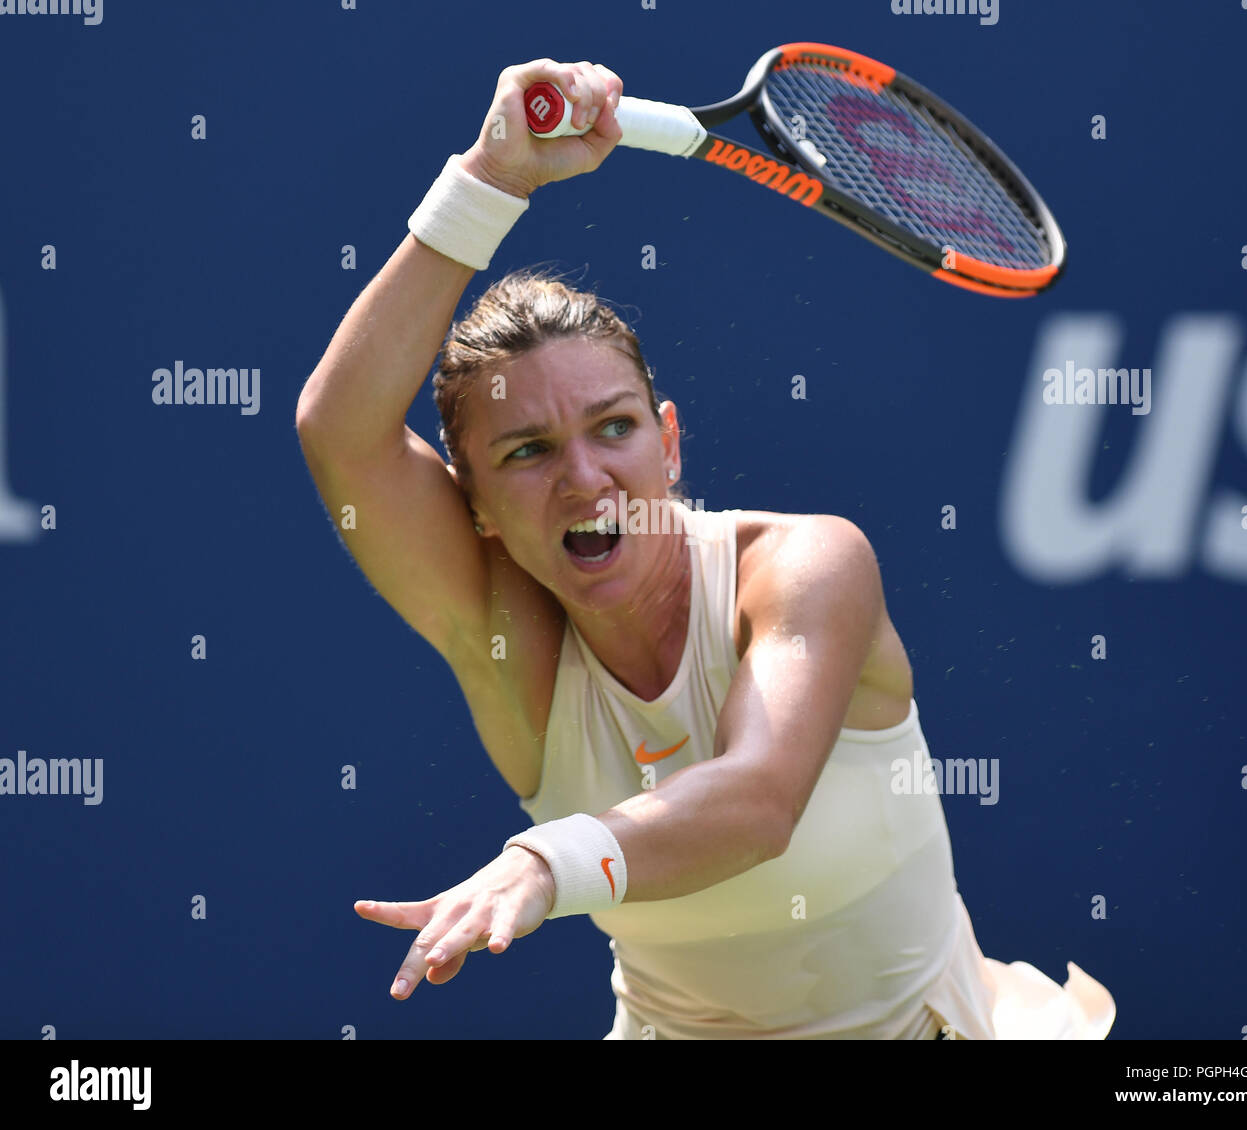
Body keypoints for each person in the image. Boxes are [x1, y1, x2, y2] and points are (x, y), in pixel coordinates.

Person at [294, 58, 1115, 1039]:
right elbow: (339, 430)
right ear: (472, 507)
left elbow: (757, 801)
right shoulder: (507, 635)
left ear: (669, 438)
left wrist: (544, 860)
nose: (584, 478)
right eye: (527, 451)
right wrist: (491, 177)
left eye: (613, 428)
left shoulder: (805, 565)